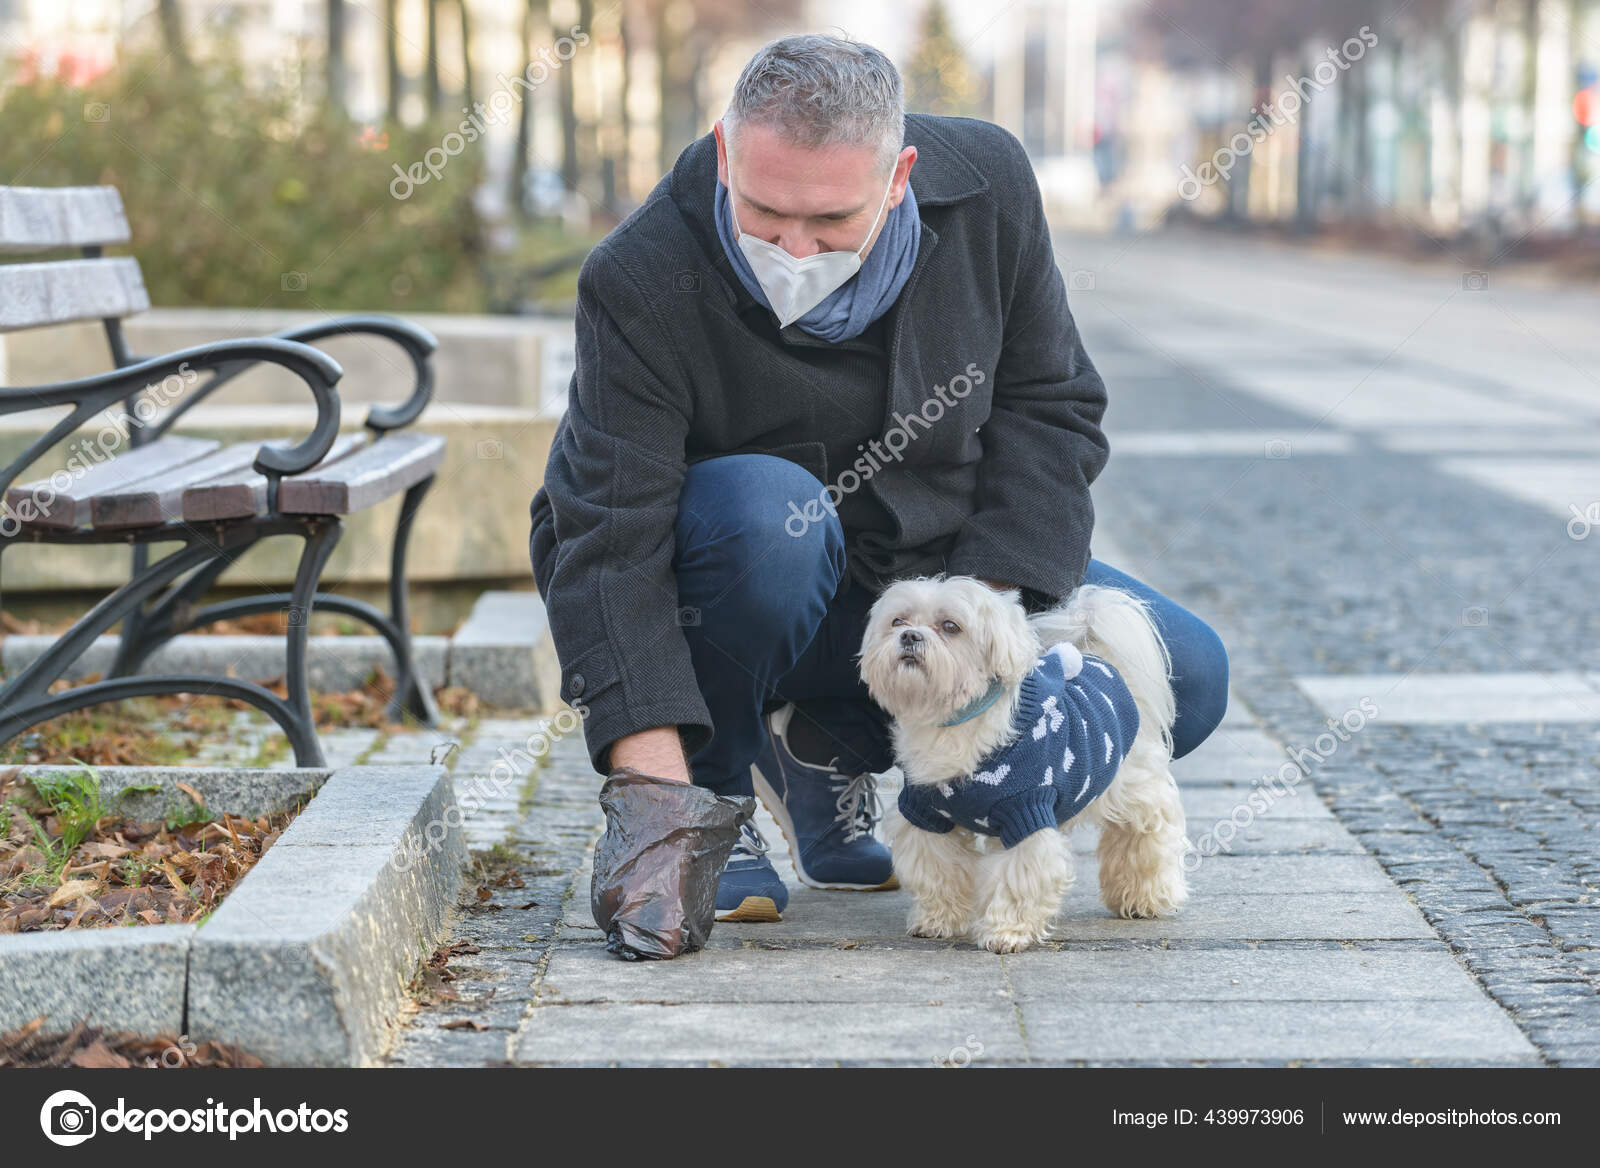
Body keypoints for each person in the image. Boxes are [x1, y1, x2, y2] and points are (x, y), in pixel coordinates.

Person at [528, 33, 1229, 923]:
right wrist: (657, 798)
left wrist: (981, 617)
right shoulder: (639, 276)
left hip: (934, 569)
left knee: (1184, 676)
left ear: (898, 177)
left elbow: (1049, 405)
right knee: (764, 515)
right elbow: (607, 532)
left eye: (830, 222)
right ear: (722, 150)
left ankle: (825, 745)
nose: (792, 246)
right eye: (762, 210)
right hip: (746, 579)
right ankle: (725, 779)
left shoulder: (987, 187)